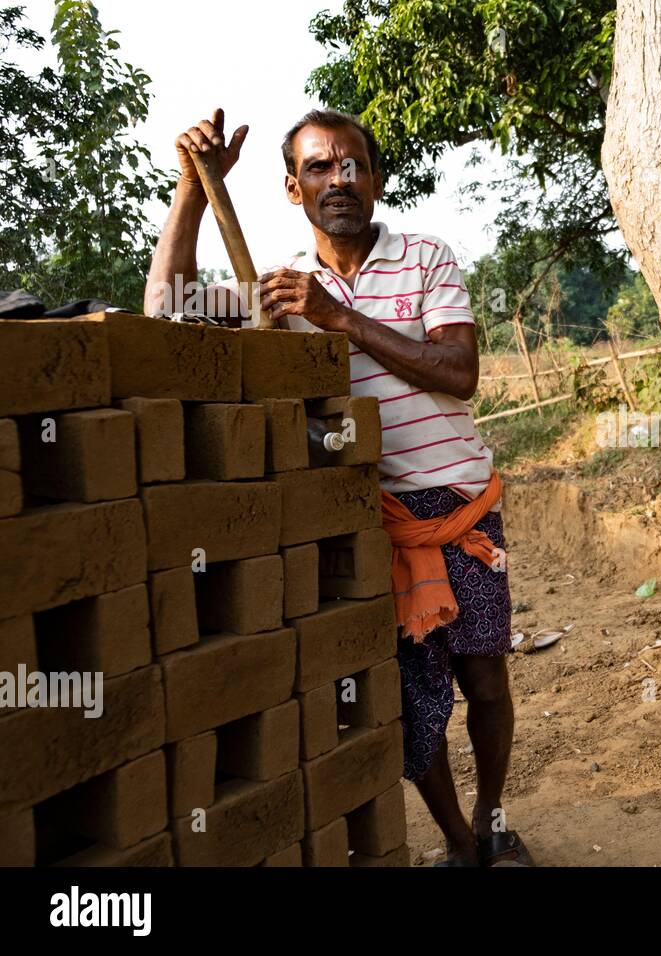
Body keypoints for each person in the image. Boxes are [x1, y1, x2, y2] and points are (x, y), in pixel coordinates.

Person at [145, 107, 531, 867]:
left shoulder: (426, 258)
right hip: (364, 523)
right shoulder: (279, 291)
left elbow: (459, 373)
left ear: (377, 180)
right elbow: (165, 310)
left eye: (353, 164)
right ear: (294, 189)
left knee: (483, 681)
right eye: (319, 167)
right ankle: (457, 844)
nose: (340, 179)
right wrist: (195, 188)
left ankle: (492, 821)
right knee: (409, 705)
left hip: (459, 507)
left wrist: (340, 319)